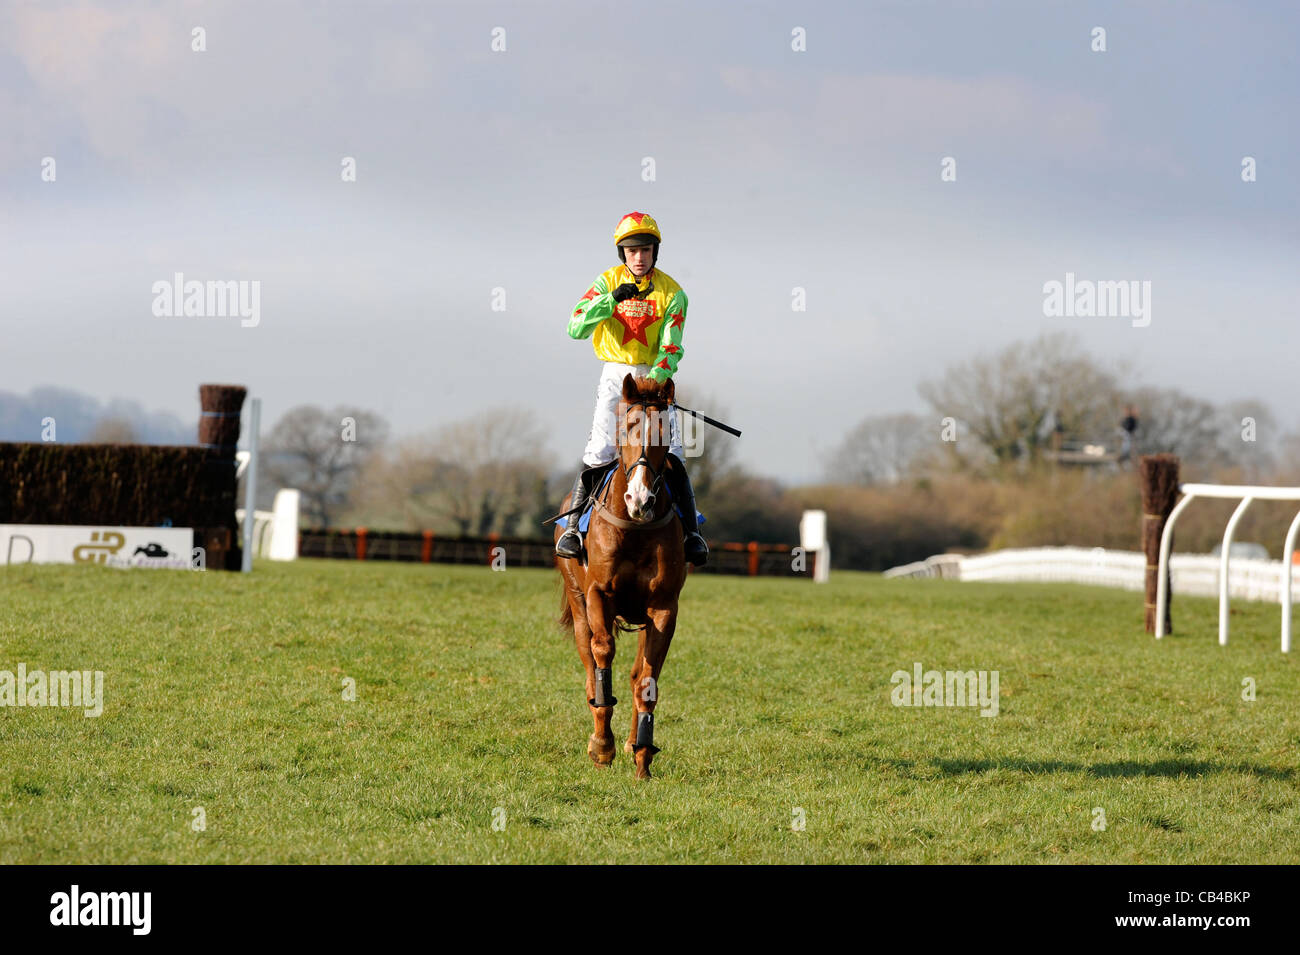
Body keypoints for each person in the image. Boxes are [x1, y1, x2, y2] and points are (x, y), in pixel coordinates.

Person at [555, 211, 708, 565]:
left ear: (655, 251)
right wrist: (610, 301)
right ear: (622, 253)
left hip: (654, 380)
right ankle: (574, 529)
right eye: (631, 250)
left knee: (673, 456)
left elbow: (672, 347)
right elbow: (575, 328)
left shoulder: (674, 293)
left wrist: (654, 380)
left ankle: (691, 535)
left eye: (646, 250)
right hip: (616, 376)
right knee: (600, 449)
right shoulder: (605, 283)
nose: (639, 257)